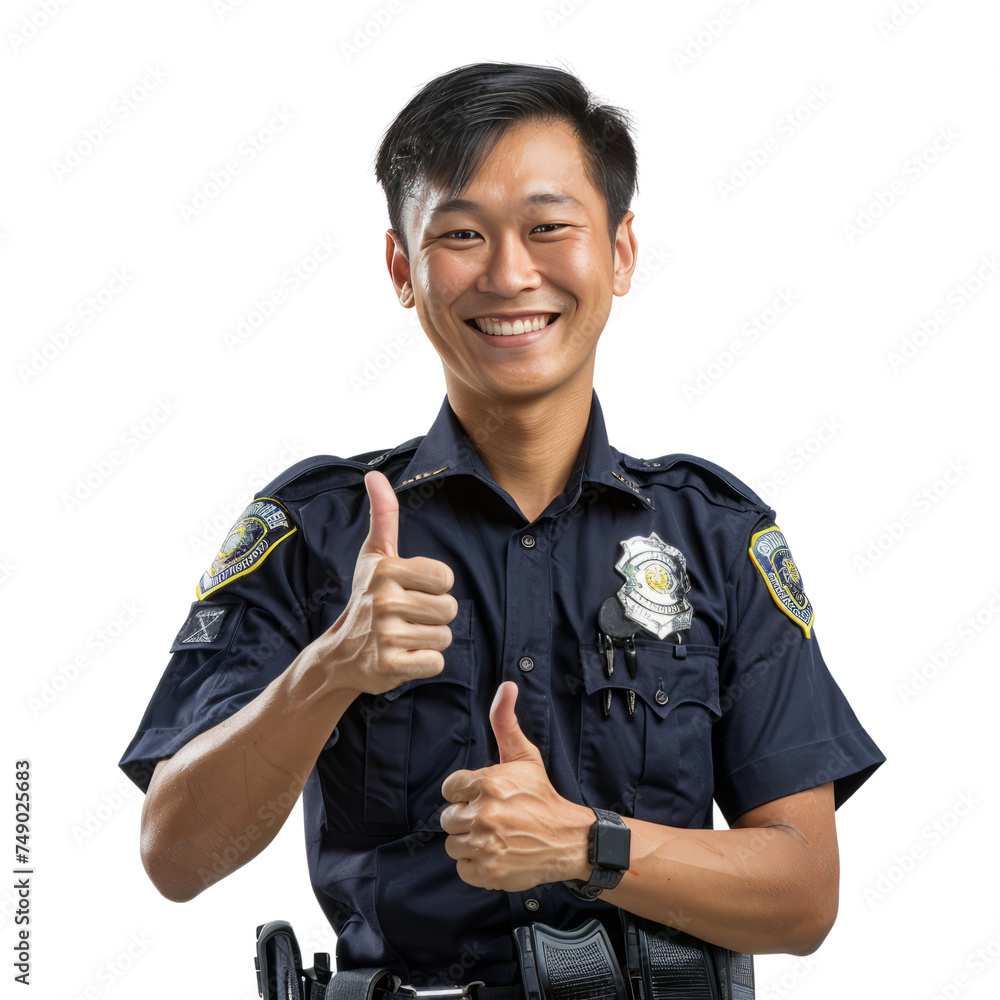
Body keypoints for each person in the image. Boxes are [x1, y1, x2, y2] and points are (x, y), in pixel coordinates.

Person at [119, 61, 885, 994]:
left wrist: (586, 843)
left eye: (550, 226)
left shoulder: (716, 536)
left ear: (622, 251)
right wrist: (329, 668)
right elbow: (174, 855)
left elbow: (805, 895)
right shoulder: (316, 530)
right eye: (463, 234)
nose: (511, 272)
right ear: (403, 268)